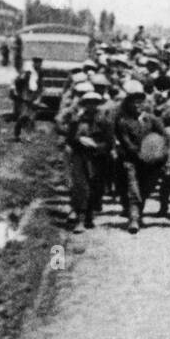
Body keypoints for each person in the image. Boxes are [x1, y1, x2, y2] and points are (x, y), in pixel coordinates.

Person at [115, 80, 168, 233]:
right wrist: (140, 154)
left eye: (140, 102)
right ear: (128, 103)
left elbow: (164, 136)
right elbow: (126, 142)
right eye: (134, 102)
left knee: (146, 189)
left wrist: (158, 152)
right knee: (133, 189)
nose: (138, 105)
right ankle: (134, 218)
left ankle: (139, 212)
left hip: (151, 163)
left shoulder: (151, 119)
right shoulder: (123, 121)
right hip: (131, 159)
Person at [63, 89, 112, 233]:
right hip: (80, 156)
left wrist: (96, 145)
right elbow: (70, 139)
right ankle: (80, 219)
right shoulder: (76, 120)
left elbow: (109, 143)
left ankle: (89, 215)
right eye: (88, 103)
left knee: (95, 188)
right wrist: (79, 139)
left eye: (94, 103)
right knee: (81, 187)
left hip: (97, 158)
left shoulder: (104, 121)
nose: (91, 106)